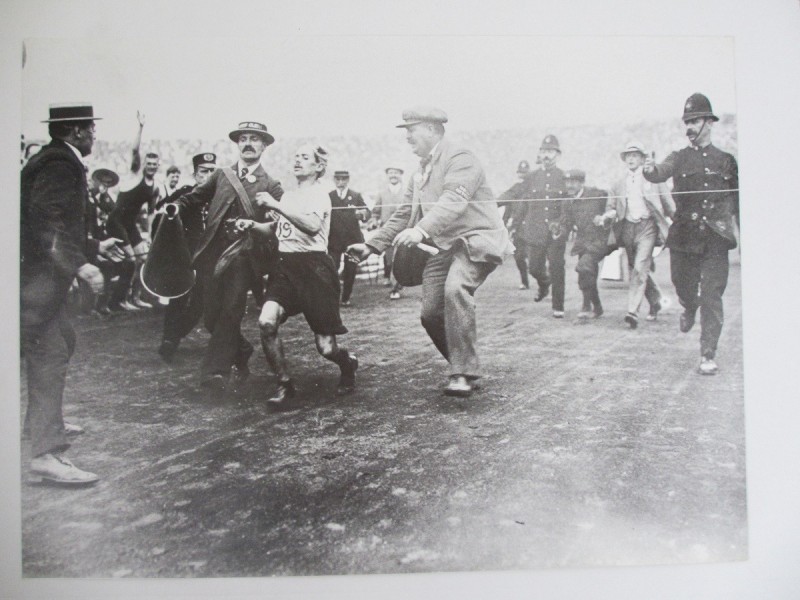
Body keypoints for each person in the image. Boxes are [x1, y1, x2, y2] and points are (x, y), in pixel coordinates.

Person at [348, 106, 512, 398]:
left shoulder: (461, 158)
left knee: (455, 289)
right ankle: (463, 366)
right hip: (443, 247)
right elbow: (402, 215)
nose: (407, 136)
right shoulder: (419, 172)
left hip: (476, 241)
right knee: (429, 313)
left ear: (433, 130)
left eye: (412, 129)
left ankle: (462, 372)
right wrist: (372, 245)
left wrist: (420, 230)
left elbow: (452, 201)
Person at [21, 102, 120, 485]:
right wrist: (78, 264)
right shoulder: (61, 164)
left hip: (39, 278)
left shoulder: (54, 159)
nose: (95, 135)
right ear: (77, 131)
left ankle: (41, 422)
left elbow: (56, 226)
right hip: (36, 282)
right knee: (50, 353)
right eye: (91, 129)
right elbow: (45, 224)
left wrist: (94, 246)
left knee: (63, 338)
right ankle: (46, 455)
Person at [236, 144, 358, 405]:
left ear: (318, 167)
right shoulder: (289, 196)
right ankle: (284, 384)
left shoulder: (319, 194)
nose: (298, 161)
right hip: (286, 268)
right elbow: (279, 229)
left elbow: (312, 226)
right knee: (267, 322)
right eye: (296, 156)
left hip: (315, 269)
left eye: (305, 158)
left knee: (326, 348)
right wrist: (253, 226)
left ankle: (348, 364)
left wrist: (276, 206)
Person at [175, 121, 283, 393]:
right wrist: (173, 206)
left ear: (264, 146)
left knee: (231, 310)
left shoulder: (271, 184)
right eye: (243, 138)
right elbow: (194, 197)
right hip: (212, 255)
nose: (248, 143)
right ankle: (242, 350)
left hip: (243, 257)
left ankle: (215, 374)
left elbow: (282, 218)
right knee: (211, 317)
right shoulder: (222, 175)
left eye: (254, 139)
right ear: (237, 144)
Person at [644, 93, 738, 375]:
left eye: (695, 120)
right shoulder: (679, 158)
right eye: (687, 121)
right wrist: (650, 170)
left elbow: (738, 201)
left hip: (715, 238)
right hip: (684, 235)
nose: (690, 126)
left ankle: (707, 353)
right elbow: (660, 172)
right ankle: (688, 306)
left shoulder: (726, 161)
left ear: (709, 122)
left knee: (712, 294)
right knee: (682, 285)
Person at [600, 141, 675, 329]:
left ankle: (632, 311)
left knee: (640, 267)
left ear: (642, 159)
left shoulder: (654, 179)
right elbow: (611, 207)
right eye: (628, 156)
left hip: (648, 227)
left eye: (635, 155)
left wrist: (676, 224)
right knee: (636, 267)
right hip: (627, 228)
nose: (631, 159)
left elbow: (669, 204)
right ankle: (656, 299)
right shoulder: (618, 183)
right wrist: (609, 215)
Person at [156, 152, 217, 362]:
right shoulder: (185, 193)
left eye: (212, 171)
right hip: (185, 256)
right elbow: (162, 212)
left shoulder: (220, 196)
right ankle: (169, 341)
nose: (208, 176)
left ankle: (175, 335)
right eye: (203, 171)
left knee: (199, 303)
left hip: (209, 258)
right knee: (178, 297)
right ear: (195, 173)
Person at [106, 111, 161, 310]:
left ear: (158, 165)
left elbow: (151, 213)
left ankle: (136, 297)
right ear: (144, 164)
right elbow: (134, 150)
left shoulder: (154, 187)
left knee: (143, 259)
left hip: (130, 224)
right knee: (130, 260)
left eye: (155, 164)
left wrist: (150, 236)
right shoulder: (135, 172)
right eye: (149, 163)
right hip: (116, 221)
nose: (152, 166)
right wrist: (141, 127)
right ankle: (120, 300)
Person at [510, 135, 570, 317]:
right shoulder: (531, 177)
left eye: (550, 151)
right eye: (543, 151)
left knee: (557, 267)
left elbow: (567, 205)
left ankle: (558, 306)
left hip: (555, 233)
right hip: (534, 231)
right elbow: (519, 198)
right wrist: (497, 204)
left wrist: (562, 224)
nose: (546, 155)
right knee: (534, 267)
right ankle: (544, 284)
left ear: (558, 155)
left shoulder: (563, 177)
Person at [563, 170, 609, 319]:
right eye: (567, 182)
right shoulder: (568, 201)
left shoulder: (596, 195)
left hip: (600, 240)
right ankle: (596, 306)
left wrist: (604, 217)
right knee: (588, 273)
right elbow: (567, 222)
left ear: (582, 183)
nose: (569, 185)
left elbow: (611, 205)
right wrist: (559, 228)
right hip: (583, 242)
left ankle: (586, 305)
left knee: (584, 267)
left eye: (573, 182)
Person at [87, 168, 134, 315]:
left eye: (108, 183)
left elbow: (115, 218)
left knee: (128, 263)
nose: (105, 185)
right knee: (106, 265)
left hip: (102, 240)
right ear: (96, 181)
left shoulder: (105, 198)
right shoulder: (87, 198)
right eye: (102, 181)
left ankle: (114, 301)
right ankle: (91, 306)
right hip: (88, 241)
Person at [328, 170, 370, 306]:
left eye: (343, 179)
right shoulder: (329, 196)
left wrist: (362, 214)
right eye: (338, 179)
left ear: (348, 180)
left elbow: (367, 212)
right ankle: (333, 297)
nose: (340, 182)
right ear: (334, 180)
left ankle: (345, 298)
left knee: (351, 269)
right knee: (333, 268)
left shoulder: (355, 195)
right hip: (334, 240)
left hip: (353, 240)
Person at [369, 166, 406, 299]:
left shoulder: (407, 192)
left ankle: (396, 286)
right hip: (387, 232)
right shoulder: (382, 193)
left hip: (404, 231)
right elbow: (375, 212)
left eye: (396, 172)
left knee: (401, 259)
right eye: (390, 173)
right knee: (390, 260)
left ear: (401, 175)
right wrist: (374, 220)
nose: (393, 175)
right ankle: (395, 287)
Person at [497, 159, 532, 290]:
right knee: (519, 256)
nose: (522, 176)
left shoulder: (533, 189)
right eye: (520, 173)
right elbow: (508, 207)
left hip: (532, 226)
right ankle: (525, 281)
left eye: (525, 173)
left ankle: (542, 278)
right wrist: (505, 223)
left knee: (535, 256)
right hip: (518, 228)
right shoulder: (516, 188)